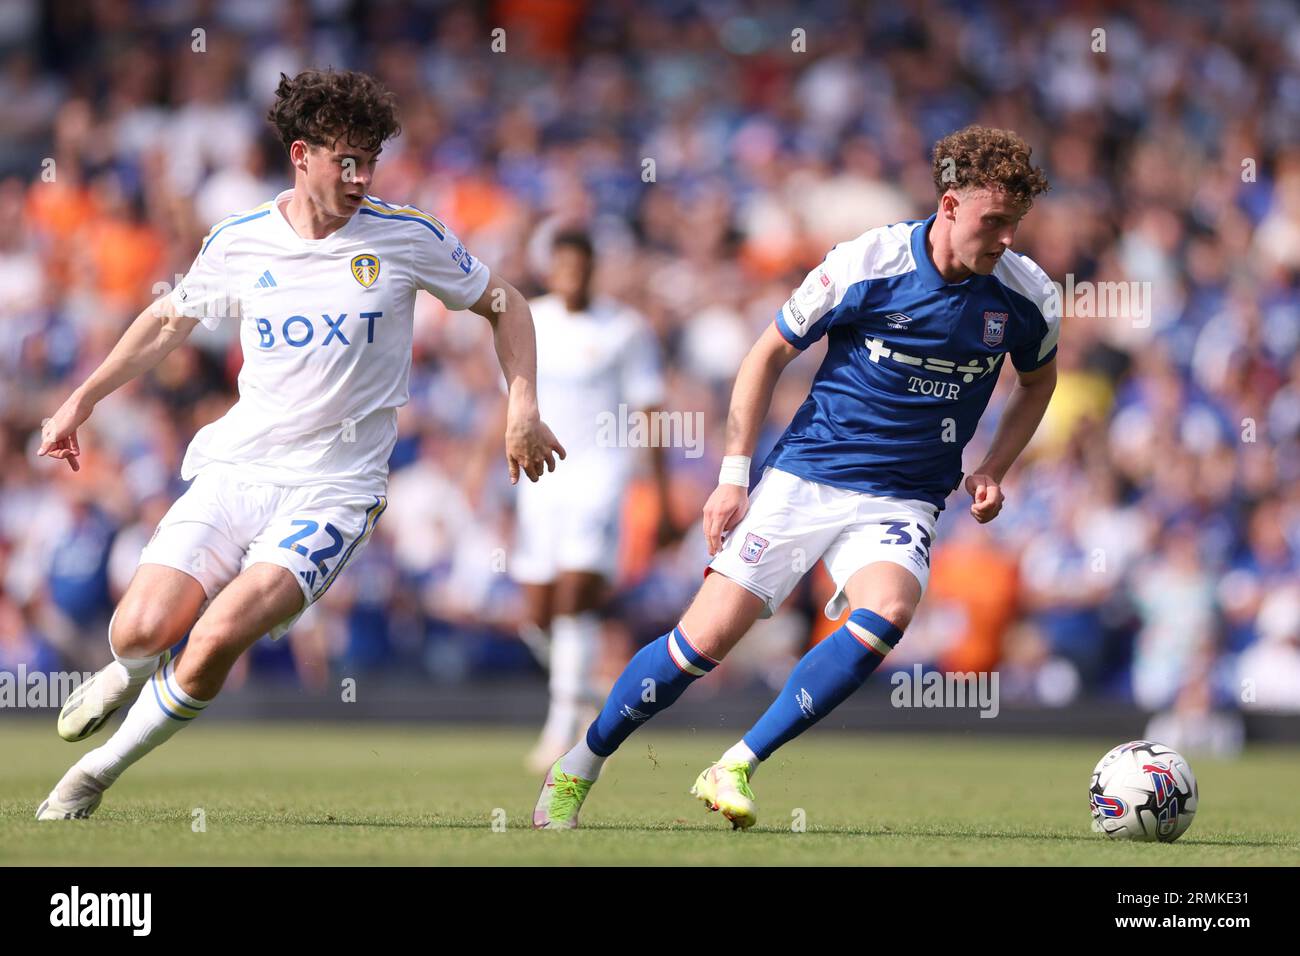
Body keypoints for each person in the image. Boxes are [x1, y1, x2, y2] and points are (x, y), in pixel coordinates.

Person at [35, 68, 564, 820]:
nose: (359, 177)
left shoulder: (407, 236)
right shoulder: (242, 241)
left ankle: (94, 773)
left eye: (369, 161)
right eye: (344, 160)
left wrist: (522, 403)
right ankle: (126, 668)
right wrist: (79, 400)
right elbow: (166, 323)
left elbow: (505, 303)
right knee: (142, 628)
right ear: (300, 154)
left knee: (215, 637)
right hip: (237, 468)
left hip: (336, 491)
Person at [534, 125, 1057, 829]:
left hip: (903, 497)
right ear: (949, 204)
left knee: (888, 614)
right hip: (807, 474)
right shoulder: (867, 262)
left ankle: (738, 762)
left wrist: (995, 465)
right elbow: (766, 354)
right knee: (701, 646)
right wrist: (731, 477)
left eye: (1013, 225)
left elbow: (1038, 381)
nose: (1002, 239)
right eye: (993, 221)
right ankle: (582, 763)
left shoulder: (1026, 296)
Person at [512, 229, 670, 772]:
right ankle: (580, 691)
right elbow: (513, 396)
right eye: (562, 266)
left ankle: (559, 726)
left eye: (581, 266)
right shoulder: (529, 319)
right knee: (536, 613)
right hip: (541, 476)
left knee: (576, 591)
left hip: (601, 473)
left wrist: (662, 493)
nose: (572, 276)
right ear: (550, 269)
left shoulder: (624, 329)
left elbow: (650, 409)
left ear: (592, 269)